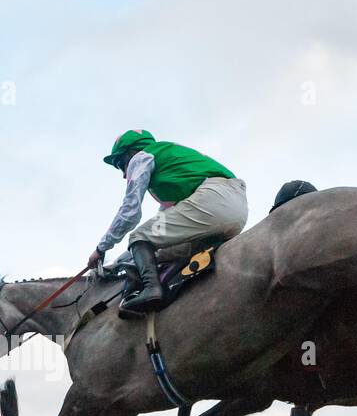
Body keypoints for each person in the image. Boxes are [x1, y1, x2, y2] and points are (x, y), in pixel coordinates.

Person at [89, 129, 248, 315]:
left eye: (119, 164)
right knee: (158, 252)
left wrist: (101, 249)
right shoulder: (170, 163)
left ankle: (151, 290)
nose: (123, 174)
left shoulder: (141, 157)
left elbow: (130, 212)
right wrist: (117, 263)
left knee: (138, 235)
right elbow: (160, 225)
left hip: (212, 201)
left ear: (131, 152)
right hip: (236, 209)